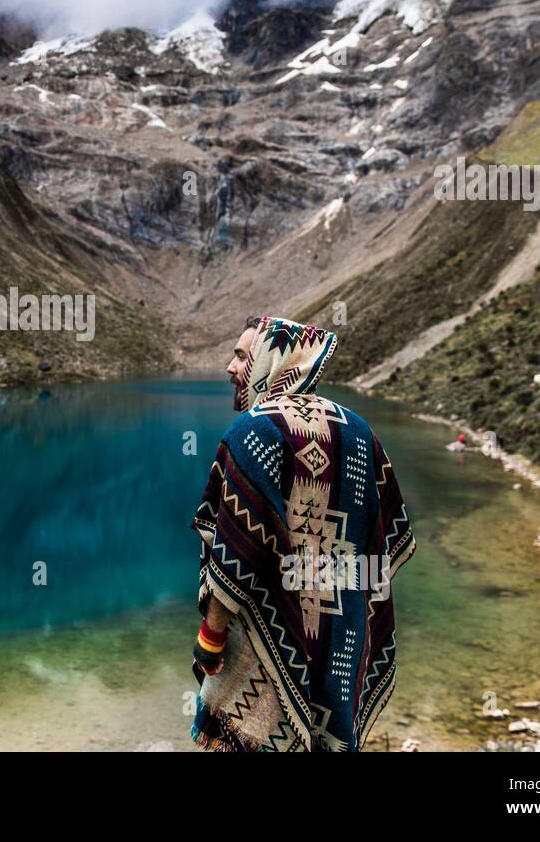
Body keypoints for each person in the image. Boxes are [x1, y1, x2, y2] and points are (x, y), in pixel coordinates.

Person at [189, 315, 416, 752]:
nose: (230, 368)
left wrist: (211, 639)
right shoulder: (358, 432)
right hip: (342, 641)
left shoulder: (253, 432)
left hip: (267, 643)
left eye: (240, 356)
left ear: (272, 360)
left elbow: (234, 555)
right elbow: (385, 538)